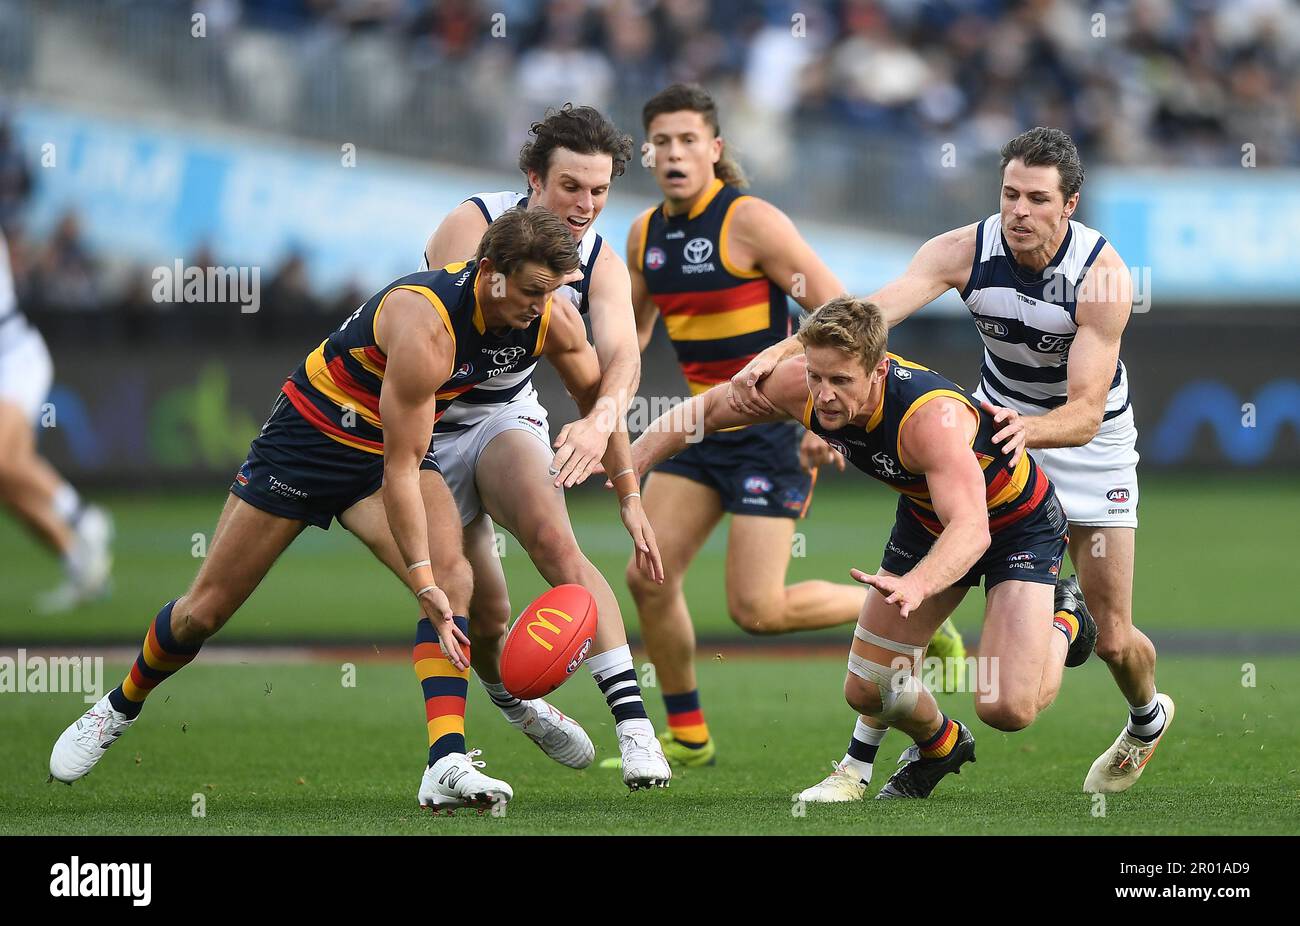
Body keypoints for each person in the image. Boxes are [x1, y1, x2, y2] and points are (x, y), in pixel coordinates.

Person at [49, 208, 659, 809]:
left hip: (382, 454)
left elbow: (596, 397)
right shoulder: (428, 328)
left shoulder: (543, 314)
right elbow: (402, 466)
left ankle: (444, 763)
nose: (540, 304)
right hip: (308, 443)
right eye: (531, 289)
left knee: (457, 578)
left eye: (551, 291)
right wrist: (417, 580)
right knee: (202, 613)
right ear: (490, 272)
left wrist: (629, 495)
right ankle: (118, 706)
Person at [730, 127, 1170, 795]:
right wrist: (790, 353)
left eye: (1037, 199)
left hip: (1090, 444)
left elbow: (1083, 411)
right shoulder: (962, 250)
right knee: (911, 616)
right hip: (994, 433)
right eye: (1009, 194)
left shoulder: (1101, 277)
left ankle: (1143, 717)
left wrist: (1031, 428)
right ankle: (858, 764)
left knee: (1112, 641)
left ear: (1070, 205)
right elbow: (871, 315)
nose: (1018, 211)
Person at [629, 297, 1096, 800]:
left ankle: (1066, 619)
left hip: (1016, 527)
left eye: (841, 381)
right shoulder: (798, 386)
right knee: (868, 687)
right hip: (926, 520)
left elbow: (972, 530)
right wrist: (626, 468)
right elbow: (706, 411)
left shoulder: (929, 419)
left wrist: (917, 585)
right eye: (816, 377)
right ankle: (940, 744)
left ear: (877, 371)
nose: (824, 395)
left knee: (1006, 708)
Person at [624, 84, 963, 768]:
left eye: (688, 139)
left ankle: (920, 615)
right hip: (702, 425)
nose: (674, 153)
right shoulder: (643, 235)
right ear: (647, 153)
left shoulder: (749, 221)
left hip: (770, 428)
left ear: (715, 150)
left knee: (757, 610)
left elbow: (839, 310)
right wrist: (605, 402)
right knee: (647, 577)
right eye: (661, 141)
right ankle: (688, 736)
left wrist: (822, 416)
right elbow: (627, 344)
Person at [420, 104, 672, 788]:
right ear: (533, 179)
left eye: (598, 190)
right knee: (479, 606)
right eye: (570, 187)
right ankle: (515, 701)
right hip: (426, 429)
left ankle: (636, 729)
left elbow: (616, 367)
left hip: (503, 416)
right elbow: (467, 317)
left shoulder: (600, 262)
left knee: (556, 543)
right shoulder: (472, 224)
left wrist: (620, 474)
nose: (585, 205)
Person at [0, 227, 112, 612]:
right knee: (8, 482)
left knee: (2, 461)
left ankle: (84, 519)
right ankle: (81, 567)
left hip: (14, 361)